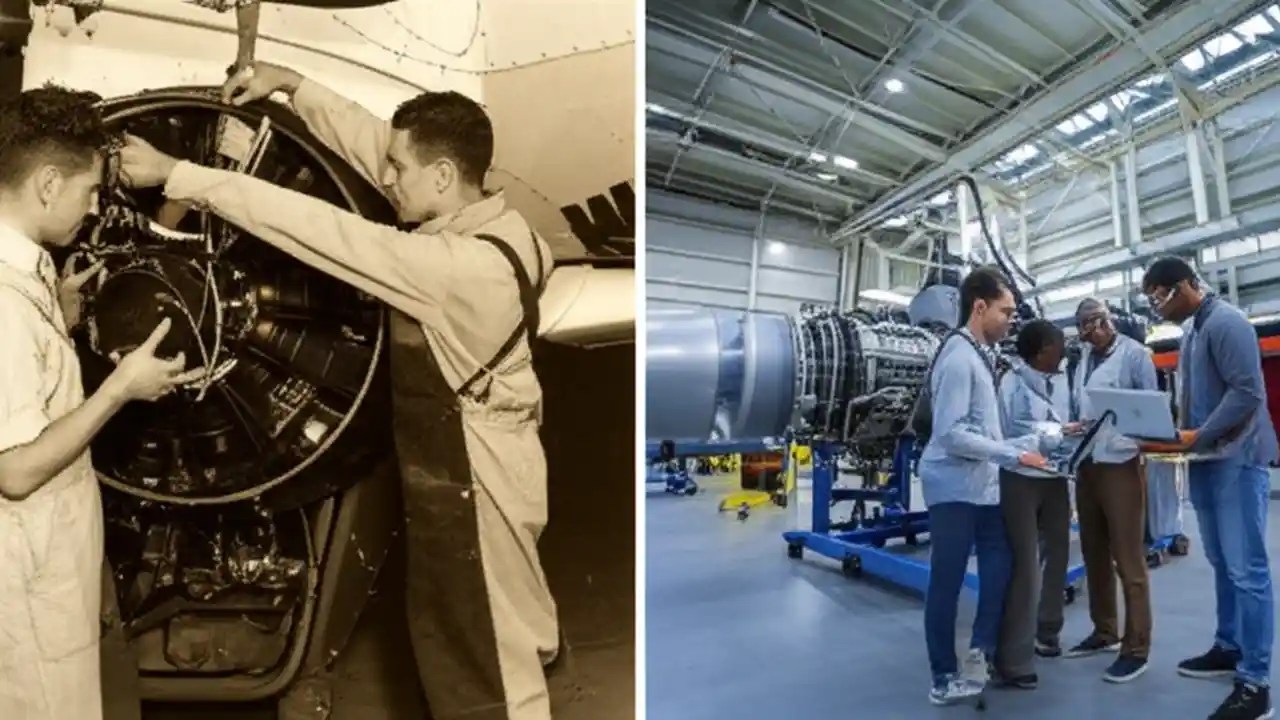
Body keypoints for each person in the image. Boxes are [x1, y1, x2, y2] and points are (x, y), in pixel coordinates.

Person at [118, 62, 560, 720]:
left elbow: (328, 234)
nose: (386, 179)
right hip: (506, 453)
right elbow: (374, 140)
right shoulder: (510, 232)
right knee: (514, 620)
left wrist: (181, 177)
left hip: (474, 474)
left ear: (442, 176)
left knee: (484, 651)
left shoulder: (455, 270)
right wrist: (293, 85)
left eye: (398, 171)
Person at [0, 86, 194, 720]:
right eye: (88, 191)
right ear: (48, 183)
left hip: (54, 556)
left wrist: (62, 312)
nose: (93, 208)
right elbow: (15, 470)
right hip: (29, 573)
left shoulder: (28, 273)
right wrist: (122, 388)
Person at [1141, 256, 1276, 720]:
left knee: (1247, 570)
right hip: (1205, 458)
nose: (1157, 308)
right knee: (1222, 563)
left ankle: (1256, 681)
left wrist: (1199, 434)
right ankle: (1229, 646)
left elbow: (1248, 393)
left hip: (1236, 460)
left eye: (1159, 297)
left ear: (1182, 286)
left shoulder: (1227, 323)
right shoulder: (1194, 329)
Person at [918, 265, 1047, 706]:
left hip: (983, 485)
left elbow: (986, 435)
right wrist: (1014, 454)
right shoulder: (957, 357)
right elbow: (951, 434)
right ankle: (942, 676)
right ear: (979, 307)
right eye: (1006, 311)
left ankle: (980, 654)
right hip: (953, 486)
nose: (1012, 320)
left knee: (1000, 565)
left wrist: (1045, 435)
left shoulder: (981, 355)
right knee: (948, 579)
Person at [1062, 298, 1156, 683]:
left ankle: (1137, 648)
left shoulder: (1135, 356)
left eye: (1099, 319)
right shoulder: (1082, 359)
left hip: (1120, 464)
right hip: (1087, 464)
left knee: (1128, 560)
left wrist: (1128, 432)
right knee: (1094, 552)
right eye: (1085, 324)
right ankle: (1105, 631)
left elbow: (1153, 411)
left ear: (1111, 318)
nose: (1094, 328)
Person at [992, 319, 1072, 688]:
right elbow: (1010, 434)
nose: (1062, 354)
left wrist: (1070, 432)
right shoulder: (1012, 383)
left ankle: (1048, 631)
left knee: (1057, 555)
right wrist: (1058, 433)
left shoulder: (1058, 381)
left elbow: (1056, 423)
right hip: (1020, 479)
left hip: (1055, 478)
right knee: (1025, 566)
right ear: (1040, 352)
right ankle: (1013, 658)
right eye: (1057, 348)